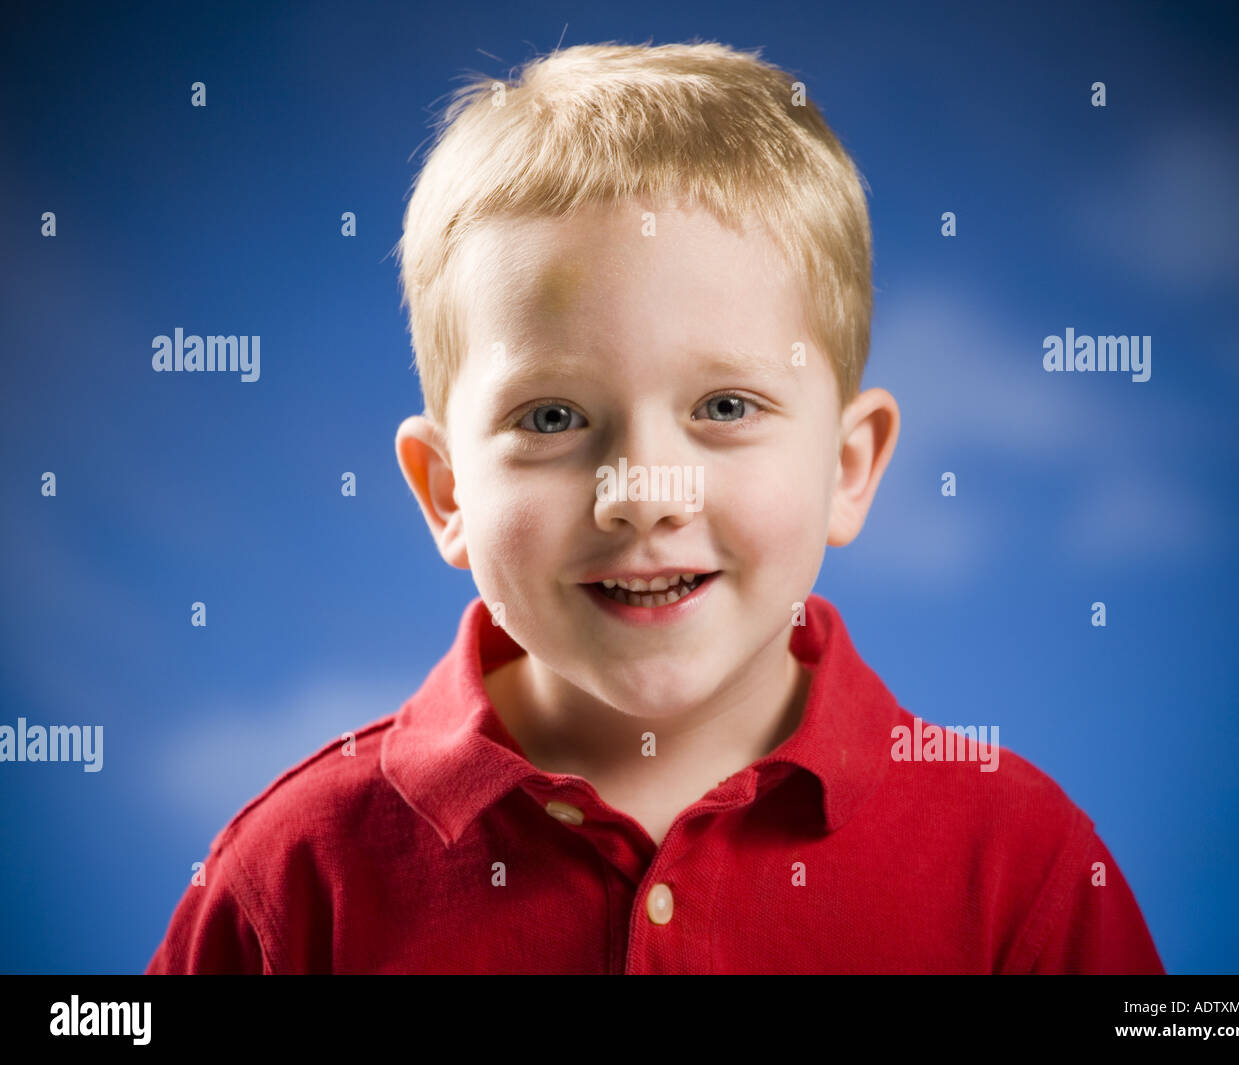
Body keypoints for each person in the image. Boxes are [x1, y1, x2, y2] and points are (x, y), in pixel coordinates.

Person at [146, 40, 1162, 974]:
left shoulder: (1020, 864)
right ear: (448, 493)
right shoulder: (294, 879)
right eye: (551, 417)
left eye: (725, 406)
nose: (642, 496)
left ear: (848, 467)